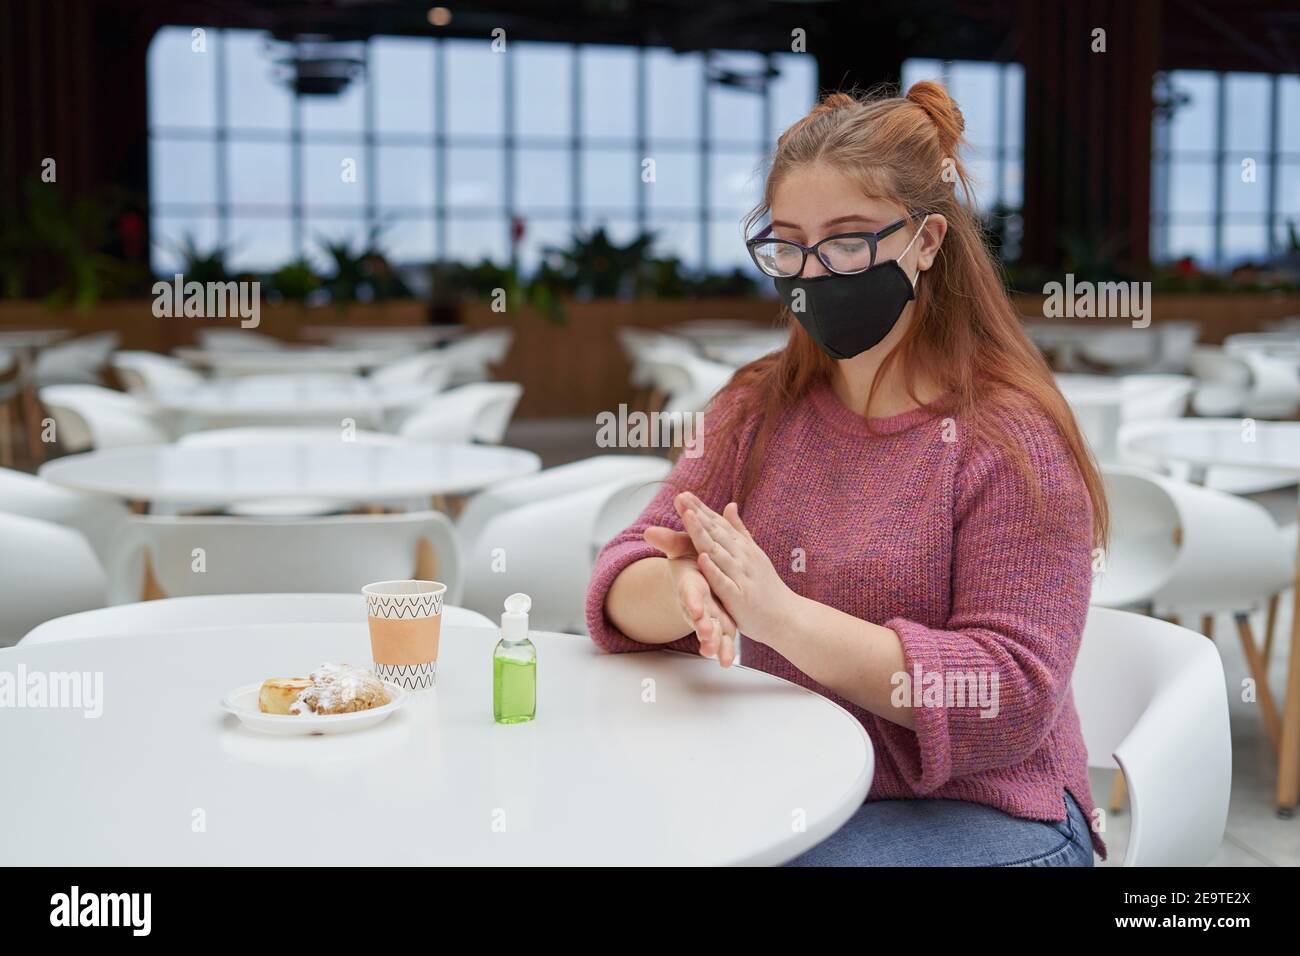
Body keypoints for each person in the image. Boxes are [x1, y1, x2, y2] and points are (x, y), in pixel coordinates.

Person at [585, 82, 1107, 867]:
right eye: (789, 245)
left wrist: (779, 616)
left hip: (988, 811)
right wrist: (686, 590)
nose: (814, 272)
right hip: (790, 781)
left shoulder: (1009, 438)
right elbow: (626, 567)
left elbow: (1009, 696)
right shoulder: (756, 404)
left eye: (849, 241)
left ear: (927, 242)